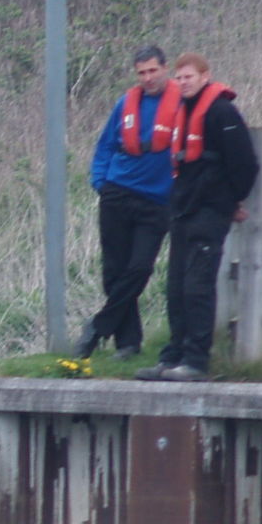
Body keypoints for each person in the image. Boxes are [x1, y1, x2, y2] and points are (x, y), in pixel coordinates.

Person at [140, 53, 258, 382]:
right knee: (175, 286)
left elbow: (246, 165)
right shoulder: (183, 111)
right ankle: (173, 355)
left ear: (205, 76)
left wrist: (230, 201)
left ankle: (196, 360)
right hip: (183, 209)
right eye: (179, 78)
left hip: (210, 211)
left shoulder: (222, 112)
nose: (183, 82)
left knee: (197, 287)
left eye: (189, 77)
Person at [74, 45, 174, 360]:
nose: (148, 78)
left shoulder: (182, 103)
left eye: (153, 71)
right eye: (141, 72)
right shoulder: (125, 104)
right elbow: (105, 145)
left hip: (157, 201)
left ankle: (98, 327)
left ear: (164, 68)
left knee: (140, 267)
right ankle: (128, 344)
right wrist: (100, 182)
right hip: (117, 193)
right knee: (114, 271)